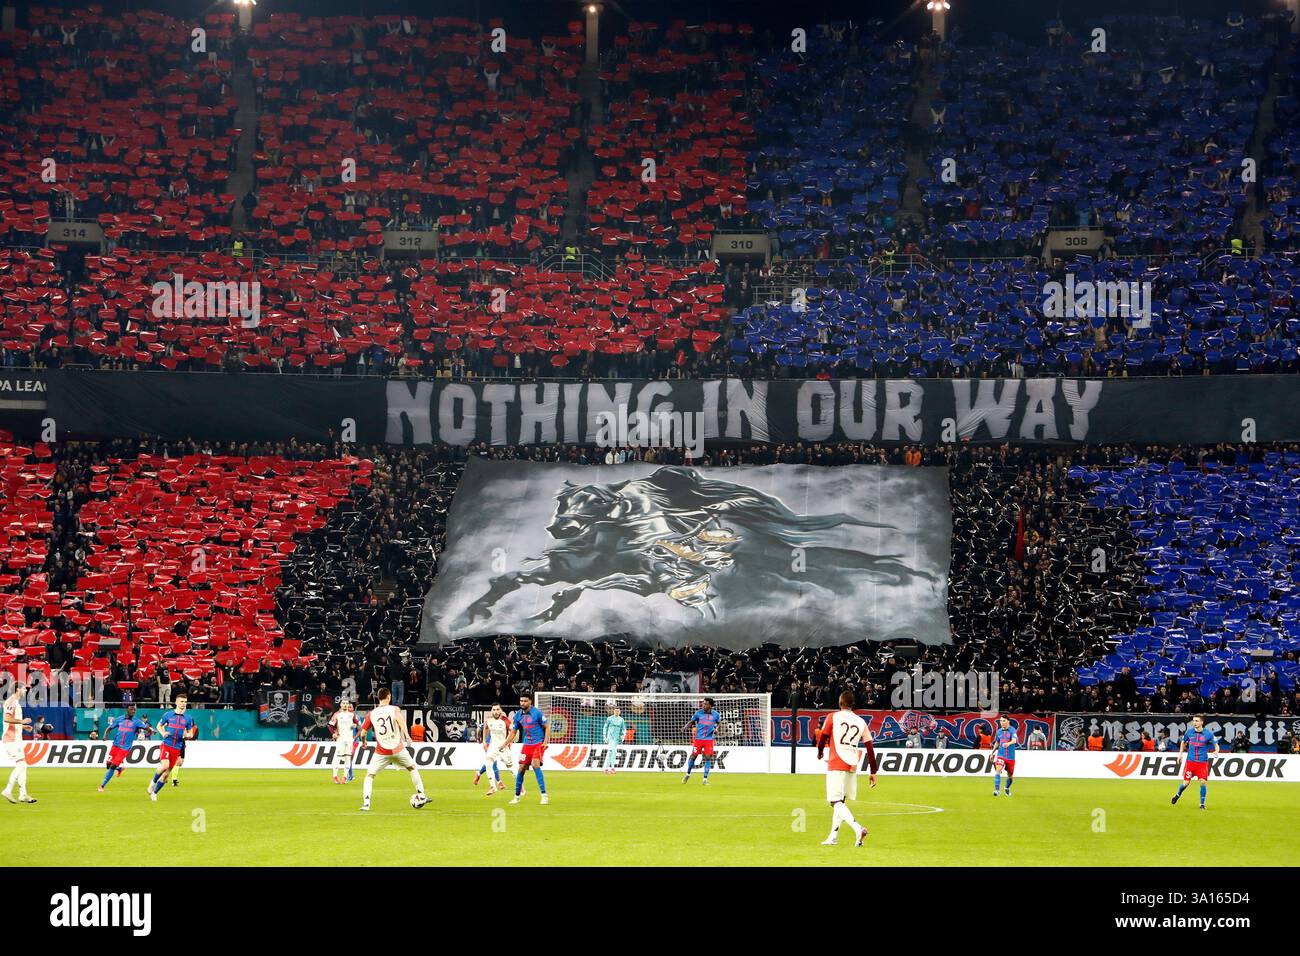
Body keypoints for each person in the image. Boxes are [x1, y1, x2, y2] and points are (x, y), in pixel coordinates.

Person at [814, 690, 877, 847]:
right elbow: (870, 747)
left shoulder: (833, 717)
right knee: (840, 801)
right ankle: (833, 836)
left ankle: (858, 829)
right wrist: (873, 772)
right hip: (852, 763)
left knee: (835, 801)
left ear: (840, 702)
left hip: (836, 762)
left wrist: (820, 752)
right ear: (852, 704)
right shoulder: (861, 722)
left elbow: (823, 736)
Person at [356, 687, 427, 811]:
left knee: (370, 776)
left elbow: (363, 733)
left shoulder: (371, 713)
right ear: (388, 697)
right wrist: (407, 736)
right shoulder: (394, 709)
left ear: (379, 698)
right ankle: (421, 795)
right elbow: (401, 722)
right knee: (412, 768)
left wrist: (363, 742)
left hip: (381, 752)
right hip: (398, 749)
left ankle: (366, 804)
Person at [147, 695, 196, 801]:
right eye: (181, 701)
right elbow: (159, 726)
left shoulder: (188, 718)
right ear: (176, 703)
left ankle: (154, 793)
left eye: (185, 702)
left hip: (177, 747)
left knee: (166, 775)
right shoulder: (168, 714)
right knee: (165, 765)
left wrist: (187, 735)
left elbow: (190, 734)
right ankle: (152, 783)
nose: (183, 704)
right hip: (167, 744)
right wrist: (163, 733)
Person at [504, 692, 549, 805]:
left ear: (530, 702)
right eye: (521, 701)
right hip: (527, 744)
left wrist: (545, 742)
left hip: (538, 743)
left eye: (525, 701)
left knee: (535, 764)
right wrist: (504, 744)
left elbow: (547, 726)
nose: (523, 703)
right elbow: (513, 732)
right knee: (521, 768)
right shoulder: (518, 715)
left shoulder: (537, 713)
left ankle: (544, 796)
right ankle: (517, 796)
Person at [99, 704, 152, 792]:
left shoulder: (137, 721)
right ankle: (119, 768)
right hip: (115, 745)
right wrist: (105, 736)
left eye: (134, 710)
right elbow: (109, 728)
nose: (133, 711)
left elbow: (147, 728)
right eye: (131, 709)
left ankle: (102, 786)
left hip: (125, 748)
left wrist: (149, 731)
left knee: (112, 766)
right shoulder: (119, 719)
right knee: (108, 765)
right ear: (127, 710)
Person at [1171, 715, 1219, 810]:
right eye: (1194, 721)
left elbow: (1216, 744)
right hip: (1190, 762)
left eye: (1197, 721)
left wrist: (1216, 751)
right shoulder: (1189, 732)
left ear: (1201, 722)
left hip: (1202, 762)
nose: (1194, 723)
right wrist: (1180, 754)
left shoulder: (1208, 734)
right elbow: (1183, 742)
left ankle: (1202, 804)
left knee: (1202, 782)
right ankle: (1177, 795)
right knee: (1186, 783)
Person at [2, 678, 35, 804]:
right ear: (17, 689)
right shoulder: (12, 701)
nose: (25, 690)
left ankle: (23, 794)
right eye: (24, 688)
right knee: (22, 765)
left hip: (15, 739)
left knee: (23, 766)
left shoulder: (15, 702)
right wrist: (22, 721)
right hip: (11, 740)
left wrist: (23, 726)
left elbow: (11, 720)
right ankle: (8, 790)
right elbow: (6, 718)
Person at [475, 703, 519, 796]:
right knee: (489, 764)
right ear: (491, 711)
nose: (496, 711)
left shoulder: (505, 720)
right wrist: (483, 741)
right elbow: (484, 728)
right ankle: (493, 786)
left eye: (497, 709)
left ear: (501, 711)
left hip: (504, 747)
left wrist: (508, 742)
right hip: (492, 746)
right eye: (494, 710)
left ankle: (520, 786)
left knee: (510, 767)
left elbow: (514, 732)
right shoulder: (488, 720)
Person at [682, 697, 720, 785]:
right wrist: (685, 727)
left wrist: (716, 729)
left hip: (709, 740)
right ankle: (688, 774)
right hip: (698, 739)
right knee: (693, 757)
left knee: (708, 758)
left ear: (710, 705)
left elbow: (719, 723)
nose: (703, 705)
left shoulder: (716, 714)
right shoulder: (698, 713)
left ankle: (705, 779)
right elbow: (691, 722)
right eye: (703, 703)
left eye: (705, 704)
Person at [328, 699, 358, 784]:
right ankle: (335, 776)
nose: (345, 705)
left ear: (348, 705)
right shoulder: (337, 714)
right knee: (337, 757)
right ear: (340, 705)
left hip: (349, 739)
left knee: (348, 758)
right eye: (343, 703)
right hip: (340, 738)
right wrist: (334, 733)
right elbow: (330, 726)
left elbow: (357, 724)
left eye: (346, 703)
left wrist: (354, 725)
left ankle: (344, 777)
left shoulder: (352, 714)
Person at [992, 716, 1018, 797]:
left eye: (1004, 721)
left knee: (1010, 776)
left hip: (1010, 757)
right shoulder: (999, 731)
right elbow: (997, 742)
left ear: (1008, 721)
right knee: (998, 770)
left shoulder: (1012, 730)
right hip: (1001, 755)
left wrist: (1008, 743)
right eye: (1000, 721)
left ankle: (1007, 788)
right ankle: (997, 790)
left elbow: (1014, 740)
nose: (1002, 722)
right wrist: (992, 752)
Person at [602, 704, 627, 774]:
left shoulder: (621, 720)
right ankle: (612, 768)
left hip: (616, 738)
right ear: (613, 711)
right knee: (613, 751)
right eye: (615, 711)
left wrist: (623, 737)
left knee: (611, 752)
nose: (617, 712)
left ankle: (606, 768)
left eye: (618, 711)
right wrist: (604, 736)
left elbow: (624, 729)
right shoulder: (609, 718)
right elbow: (605, 728)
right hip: (610, 737)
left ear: (620, 712)